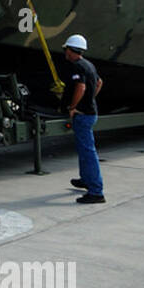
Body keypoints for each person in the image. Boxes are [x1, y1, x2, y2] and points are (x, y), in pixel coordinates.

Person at [63, 33, 105, 204]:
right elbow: (100, 82)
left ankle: (96, 191)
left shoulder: (77, 67)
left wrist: (74, 107)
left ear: (71, 50)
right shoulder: (89, 65)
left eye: (66, 49)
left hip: (83, 115)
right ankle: (86, 180)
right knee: (84, 150)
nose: (65, 53)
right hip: (89, 112)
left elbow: (80, 87)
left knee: (88, 153)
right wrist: (90, 99)